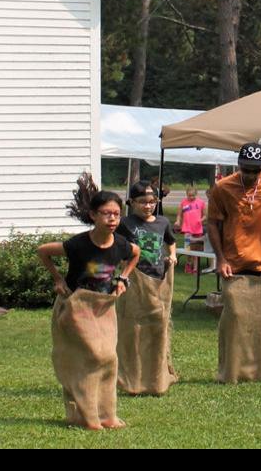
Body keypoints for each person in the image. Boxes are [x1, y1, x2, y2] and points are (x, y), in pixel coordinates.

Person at [37, 174, 137, 430]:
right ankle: (88, 416)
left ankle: (107, 416)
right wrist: (58, 279)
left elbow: (135, 255)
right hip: (75, 305)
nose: (112, 219)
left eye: (116, 214)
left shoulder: (122, 244)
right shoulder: (79, 244)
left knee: (109, 359)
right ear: (93, 215)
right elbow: (43, 251)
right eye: (106, 213)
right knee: (95, 355)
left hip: (103, 307)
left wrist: (123, 279)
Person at [206, 142, 261, 383]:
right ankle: (231, 371)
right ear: (239, 165)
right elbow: (213, 223)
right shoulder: (223, 187)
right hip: (235, 264)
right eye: (246, 169)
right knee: (236, 320)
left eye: (256, 170)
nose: (251, 175)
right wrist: (220, 259)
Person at [115, 181, 179, 395]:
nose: (148, 206)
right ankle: (131, 375)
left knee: (157, 327)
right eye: (143, 202)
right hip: (136, 280)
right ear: (132, 202)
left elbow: (171, 240)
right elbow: (115, 245)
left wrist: (172, 255)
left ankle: (158, 374)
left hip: (158, 280)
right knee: (133, 327)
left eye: (152, 202)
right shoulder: (125, 223)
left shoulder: (162, 222)